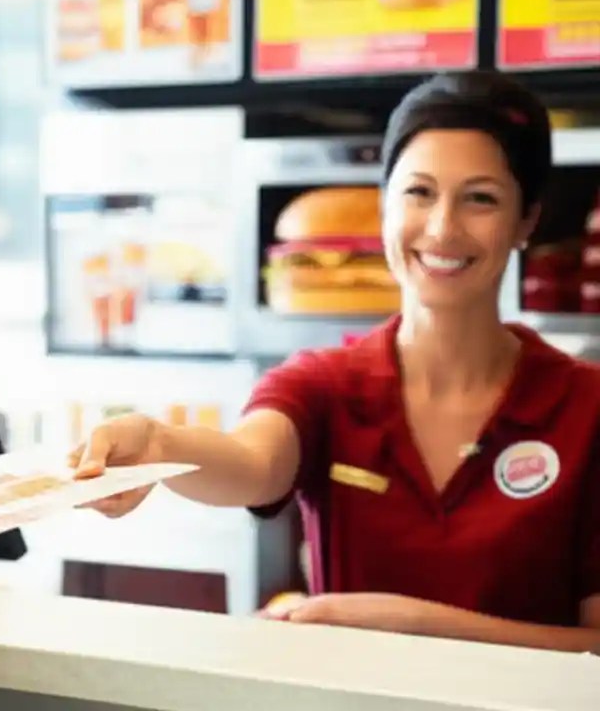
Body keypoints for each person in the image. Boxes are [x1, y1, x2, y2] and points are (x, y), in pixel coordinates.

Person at [72, 70, 600, 653]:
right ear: (384, 206)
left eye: (480, 198)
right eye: (418, 192)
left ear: (526, 221)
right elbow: (252, 461)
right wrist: (159, 447)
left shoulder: (587, 406)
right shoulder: (324, 384)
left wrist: (419, 627)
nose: (443, 227)